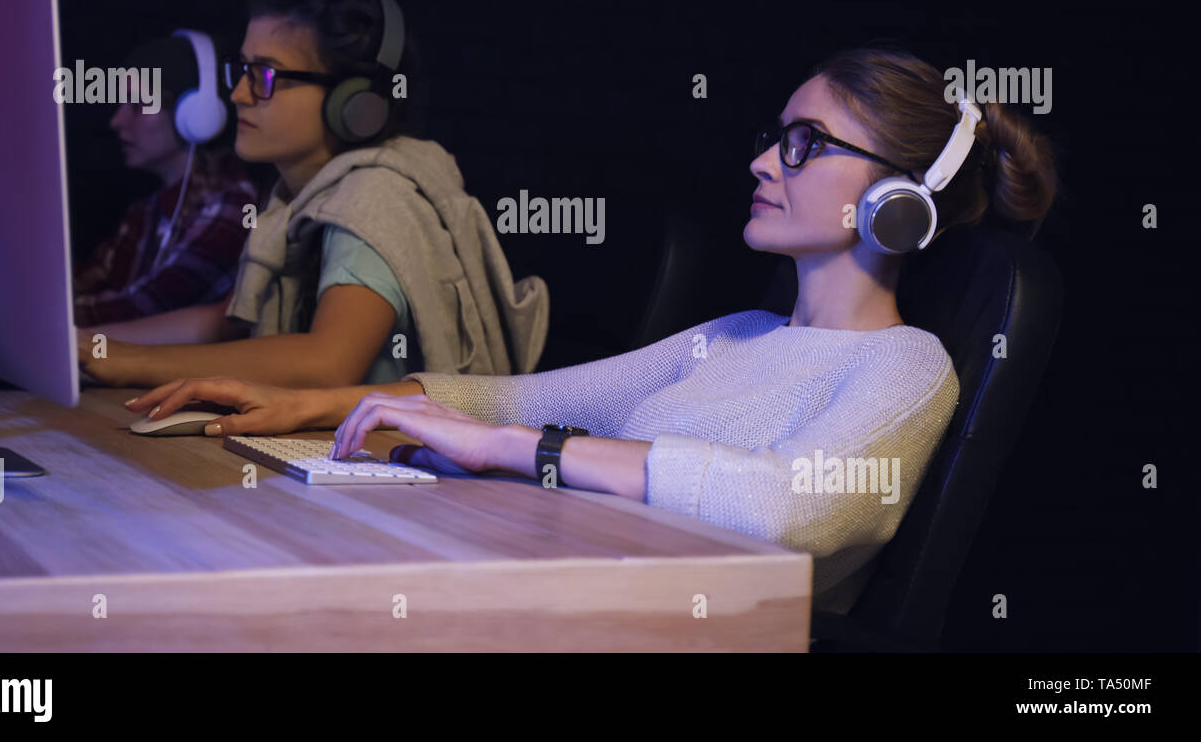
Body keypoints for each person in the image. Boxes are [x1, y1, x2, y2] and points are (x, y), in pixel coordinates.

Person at [121, 46, 1062, 613]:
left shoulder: (908, 366)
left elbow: (794, 511)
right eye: (779, 134)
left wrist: (519, 449)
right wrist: (311, 402)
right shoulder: (737, 332)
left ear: (899, 201)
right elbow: (514, 399)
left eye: (805, 143)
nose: (763, 159)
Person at [78, 0, 548, 389]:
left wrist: (131, 362)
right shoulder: (296, 200)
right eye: (240, 70)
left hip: (396, 479)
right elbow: (224, 321)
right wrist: (86, 345)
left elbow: (326, 363)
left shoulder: (375, 199)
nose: (239, 94)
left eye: (263, 75)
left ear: (354, 102)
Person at [73, 32, 263, 327]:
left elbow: (141, 309)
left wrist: (47, 318)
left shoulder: (232, 207)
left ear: (195, 116)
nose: (116, 121)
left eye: (137, 105)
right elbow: (87, 280)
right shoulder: (146, 212)